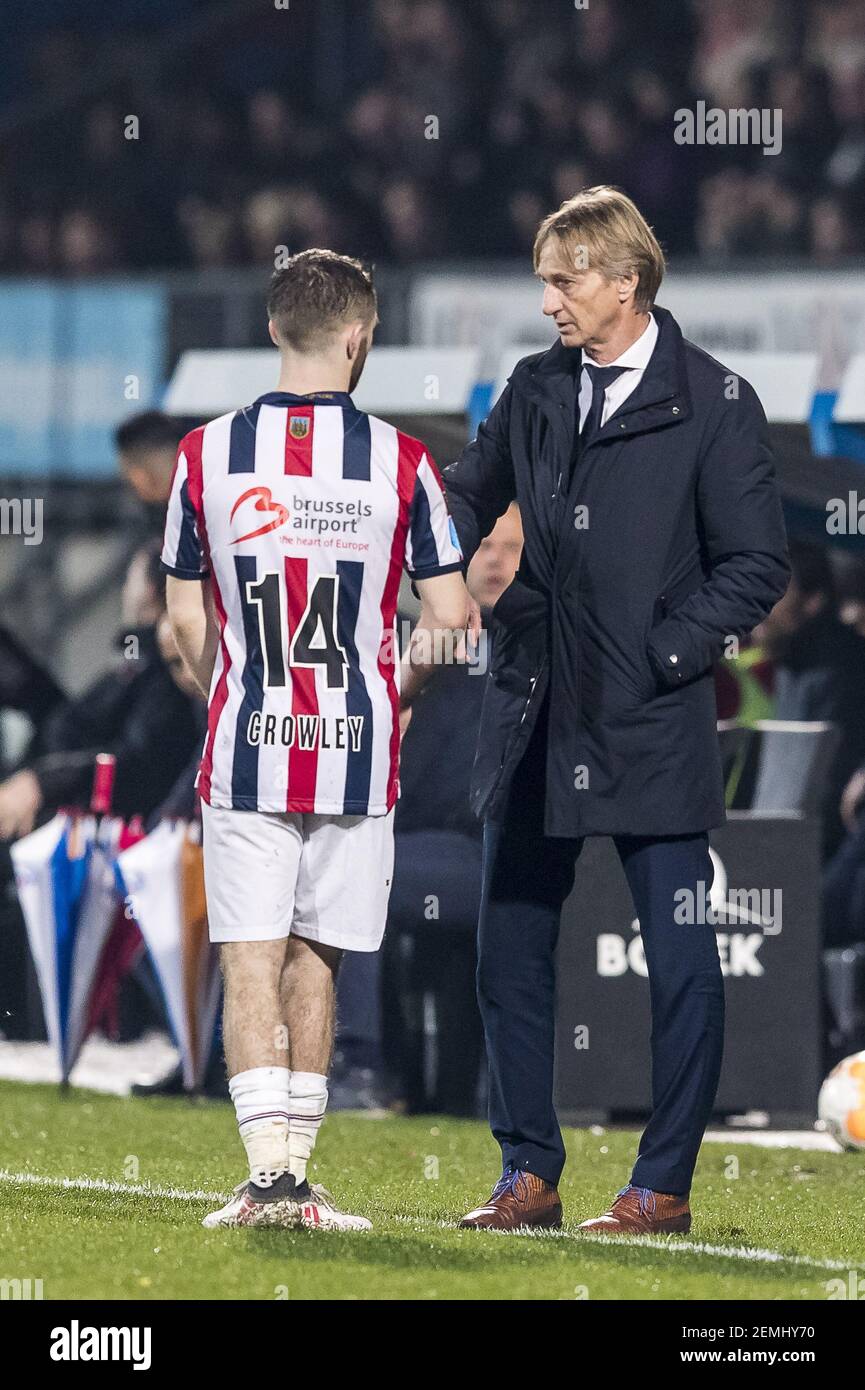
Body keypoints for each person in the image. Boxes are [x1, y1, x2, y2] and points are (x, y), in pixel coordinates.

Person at [443, 186, 789, 1234]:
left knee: (682, 957)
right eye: (545, 278)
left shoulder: (716, 401)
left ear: (625, 281)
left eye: (565, 277)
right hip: (536, 706)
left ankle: (662, 1186)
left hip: (648, 714)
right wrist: (437, 557)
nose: (548, 298)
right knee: (507, 945)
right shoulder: (535, 387)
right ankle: (528, 1174)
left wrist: (662, 652)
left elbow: (754, 565)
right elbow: (466, 489)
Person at [162, 249, 473, 1231]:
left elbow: (180, 619)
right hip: (357, 744)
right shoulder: (404, 463)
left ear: (271, 332)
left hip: (246, 743)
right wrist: (399, 687)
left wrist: (233, 689)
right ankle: (295, 1178)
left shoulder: (202, 455)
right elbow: (454, 612)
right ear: (359, 336)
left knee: (248, 956)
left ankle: (266, 1179)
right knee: (318, 960)